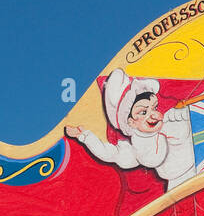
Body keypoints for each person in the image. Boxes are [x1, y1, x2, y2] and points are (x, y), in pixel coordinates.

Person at [66, 69, 197, 189]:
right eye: (143, 112)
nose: (153, 115)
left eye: (155, 107)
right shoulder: (135, 148)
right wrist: (85, 136)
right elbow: (108, 153)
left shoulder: (173, 118)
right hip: (180, 185)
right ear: (131, 122)